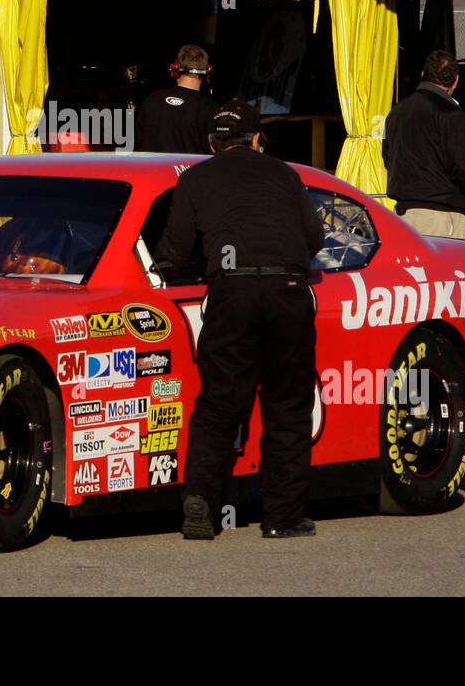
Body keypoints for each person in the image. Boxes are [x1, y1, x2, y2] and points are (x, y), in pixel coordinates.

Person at [154, 98, 327, 541]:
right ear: (256, 139)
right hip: (287, 291)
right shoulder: (286, 174)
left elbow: (172, 252)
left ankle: (201, 503)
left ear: (212, 143)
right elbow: (314, 238)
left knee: (218, 404)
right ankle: (282, 517)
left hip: (230, 293)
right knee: (287, 405)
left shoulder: (195, 178)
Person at [383, 49, 465, 238]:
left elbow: (388, 157)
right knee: (443, 268)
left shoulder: (395, 113)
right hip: (441, 215)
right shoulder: (451, 116)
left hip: (404, 214)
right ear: (455, 81)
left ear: (422, 75)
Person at [133, 44, 215, 153]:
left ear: (174, 70)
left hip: (152, 169)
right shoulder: (210, 108)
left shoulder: (152, 100)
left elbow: (135, 142)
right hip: (192, 170)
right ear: (207, 72)